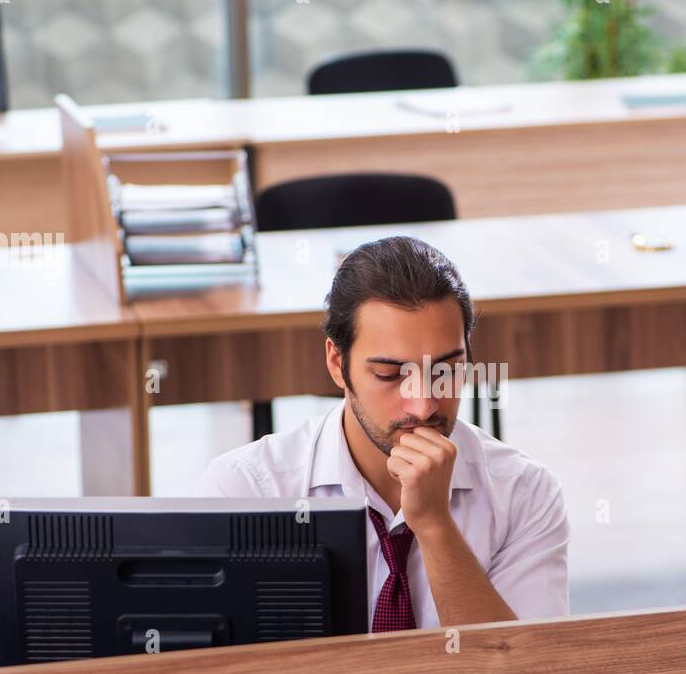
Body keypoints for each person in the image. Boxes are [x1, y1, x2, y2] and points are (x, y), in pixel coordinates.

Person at [195, 235, 569, 631]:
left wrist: (434, 524)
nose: (424, 405)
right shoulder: (244, 492)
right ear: (338, 364)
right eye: (391, 375)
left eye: (446, 370)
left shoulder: (525, 494)